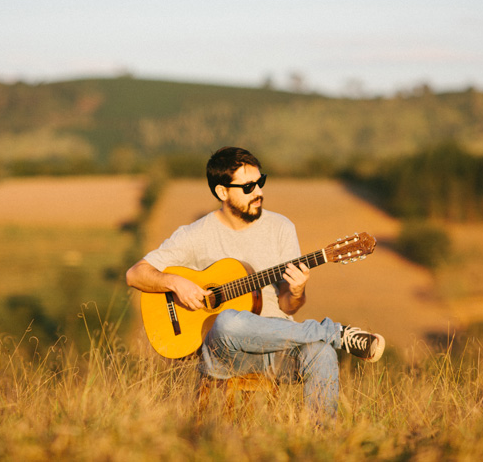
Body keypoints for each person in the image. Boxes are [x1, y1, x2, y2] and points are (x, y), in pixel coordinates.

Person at [126, 146, 385, 418]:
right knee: (227, 320)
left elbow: (289, 306)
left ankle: (320, 444)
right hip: (226, 354)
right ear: (222, 192)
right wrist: (174, 282)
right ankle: (335, 333)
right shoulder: (195, 234)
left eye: (260, 182)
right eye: (248, 187)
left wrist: (297, 290)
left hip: (279, 348)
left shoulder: (281, 227)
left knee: (322, 354)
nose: (258, 192)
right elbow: (135, 274)